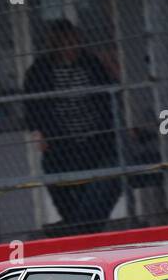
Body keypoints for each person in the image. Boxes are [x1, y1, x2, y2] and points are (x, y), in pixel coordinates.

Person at [23, 20, 121, 233]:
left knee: (99, 182)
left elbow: (106, 96)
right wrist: (38, 132)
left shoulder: (91, 63)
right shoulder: (41, 69)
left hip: (93, 134)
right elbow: (32, 103)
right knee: (55, 177)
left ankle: (78, 227)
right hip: (60, 138)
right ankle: (76, 224)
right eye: (67, 42)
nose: (72, 46)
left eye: (75, 41)